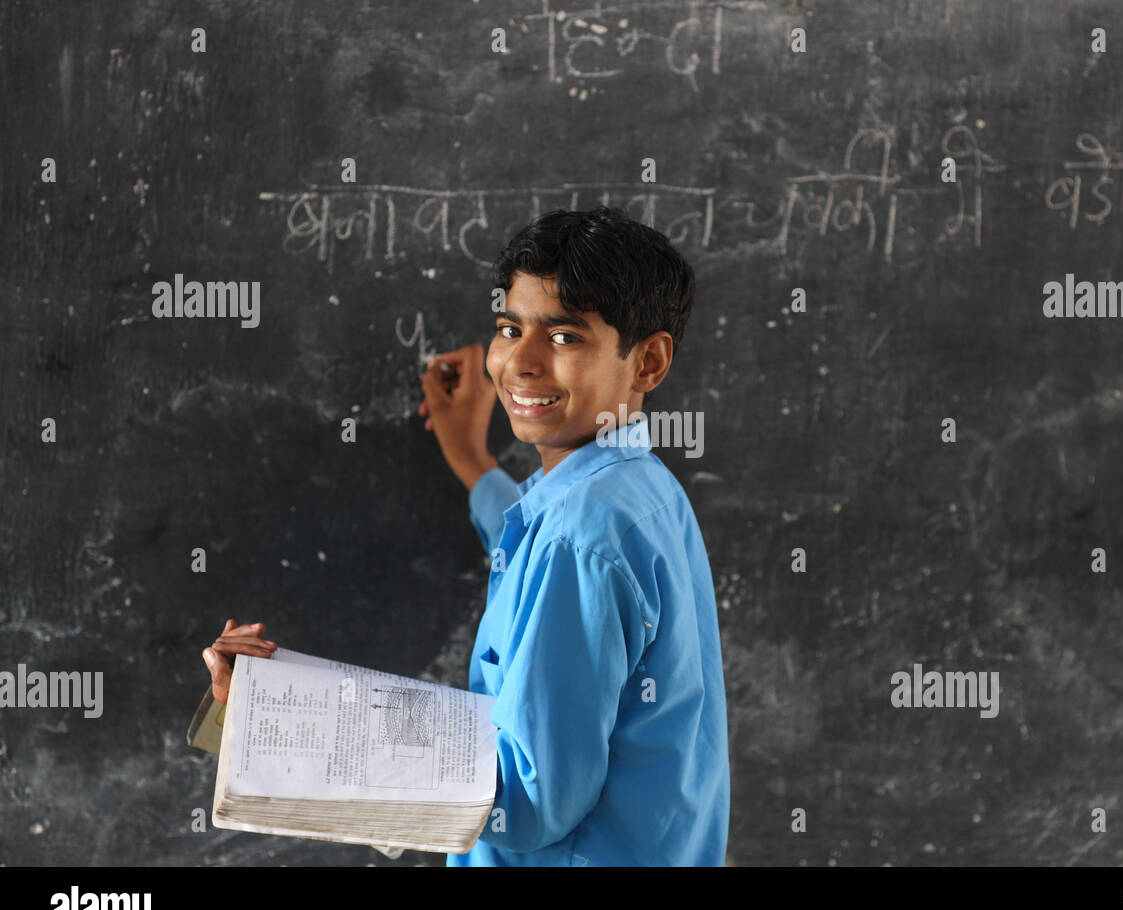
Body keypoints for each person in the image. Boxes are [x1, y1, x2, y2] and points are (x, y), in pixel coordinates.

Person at [203, 205, 729, 866]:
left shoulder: (580, 538)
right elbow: (534, 557)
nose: (520, 364)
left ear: (647, 361)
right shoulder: (639, 492)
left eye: (565, 338)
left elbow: (528, 803)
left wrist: (279, 724)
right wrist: (473, 462)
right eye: (510, 328)